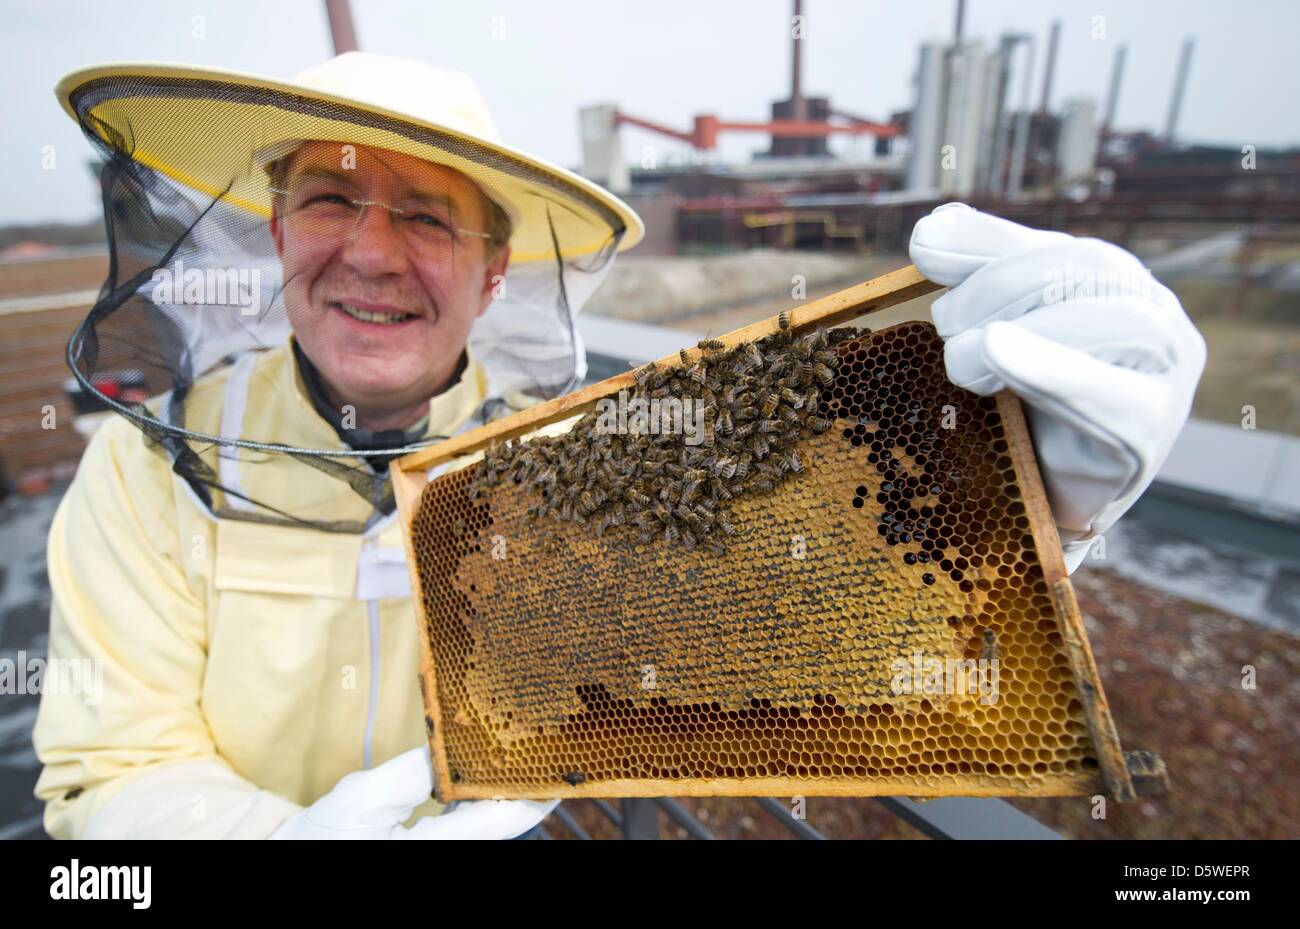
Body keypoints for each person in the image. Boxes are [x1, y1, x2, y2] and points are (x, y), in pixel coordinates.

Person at [32, 52, 1205, 840]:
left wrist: (1014, 495)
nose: (373, 254)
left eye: (429, 215)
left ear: (495, 272)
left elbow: (793, 612)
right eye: (331, 202)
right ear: (278, 227)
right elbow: (107, 778)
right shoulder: (141, 474)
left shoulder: (578, 456)